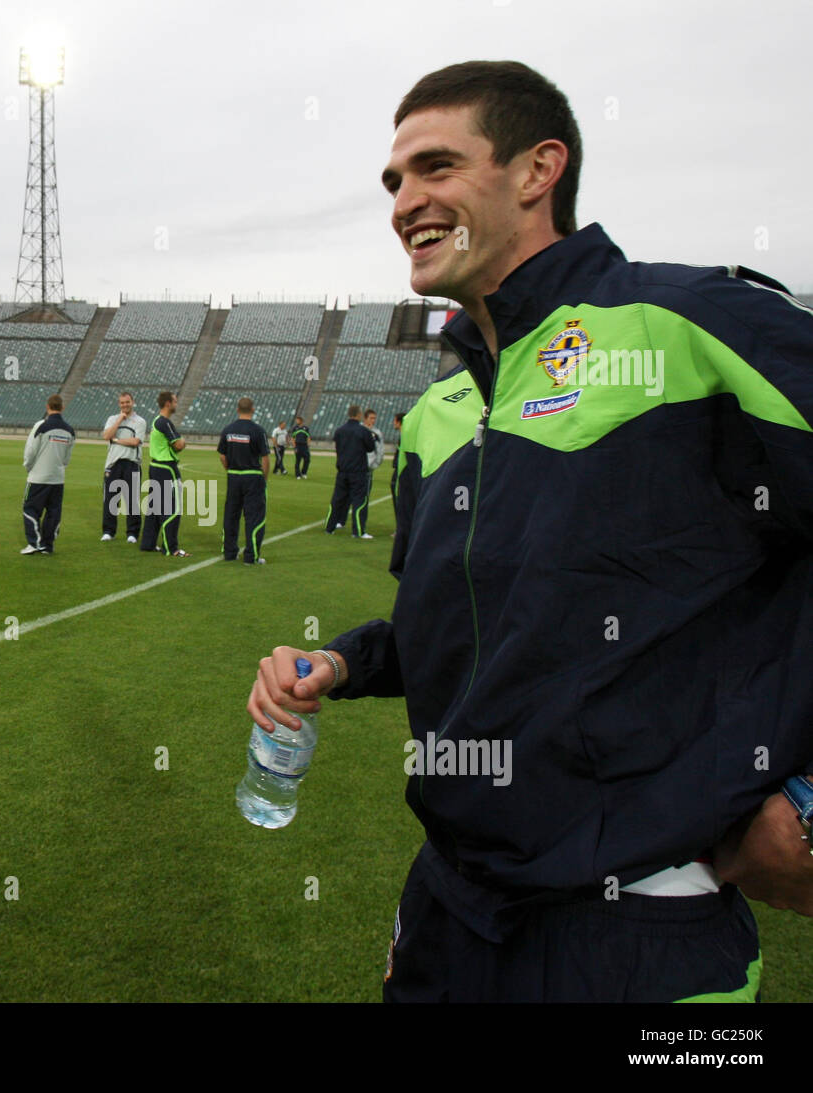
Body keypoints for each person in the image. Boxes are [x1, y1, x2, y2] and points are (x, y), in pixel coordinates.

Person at [247, 60, 813, 1004]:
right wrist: (341, 663)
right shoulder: (436, 414)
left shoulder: (688, 325)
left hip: (645, 931)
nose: (404, 201)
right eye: (394, 181)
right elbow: (457, 635)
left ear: (537, 169)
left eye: (435, 166)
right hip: (448, 913)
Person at [218, 396, 270, 564]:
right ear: (253, 409)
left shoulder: (228, 429)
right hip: (252, 476)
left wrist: (230, 470)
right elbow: (265, 459)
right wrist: (264, 479)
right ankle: (251, 556)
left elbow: (222, 456)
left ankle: (230, 552)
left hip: (234, 476)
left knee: (231, 515)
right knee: (254, 517)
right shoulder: (258, 430)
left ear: (237, 409)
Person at [22, 393, 75, 555]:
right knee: (53, 512)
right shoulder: (70, 430)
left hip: (38, 477)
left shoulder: (41, 426)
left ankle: (34, 542)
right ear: (62, 408)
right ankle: (47, 545)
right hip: (57, 478)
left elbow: (30, 451)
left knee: (30, 509)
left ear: (47, 407)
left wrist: (28, 467)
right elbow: (67, 458)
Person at [139, 390, 189, 557]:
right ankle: (171, 547)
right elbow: (179, 445)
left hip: (155, 467)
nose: (176, 404)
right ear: (168, 403)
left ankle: (148, 543)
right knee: (172, 508)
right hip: (166, 468)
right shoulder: (164, 422)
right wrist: (183, 442)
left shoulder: (156, 421)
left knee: (154, 507)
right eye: (175, 401)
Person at [100, 390, 146, 543]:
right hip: (113, 464)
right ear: (119, 404)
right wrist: (119, 419)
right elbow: (106, 436)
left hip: (131, 463)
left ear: (132, 402)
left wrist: (117, 440)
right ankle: (108, 531)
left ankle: (132, 533)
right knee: (111, 500)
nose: (125, 405)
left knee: (132, 500)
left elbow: (135, 442)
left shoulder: (140, 421)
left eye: (127, 402)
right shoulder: (112, 419)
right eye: (122, 403)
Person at [324, 404, 376, 538]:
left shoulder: (339, 430)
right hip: (358, 472)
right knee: (359, 501)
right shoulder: (363, 431)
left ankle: (329, 527)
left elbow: (338, 447)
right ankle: (358, 531)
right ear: (359, 415)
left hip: (342, 471)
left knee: (337, 500)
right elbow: (370, 448)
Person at [362, 408, 385, 517]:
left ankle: (361, 522)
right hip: (356, 467)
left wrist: (374, 464)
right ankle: (340, 520)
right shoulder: (359, 430)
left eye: (374, 418)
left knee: (365, 496)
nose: (373, 420)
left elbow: (380, 450)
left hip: (368, 469)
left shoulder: (377, 433)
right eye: (371, 418)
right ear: (365, 418)